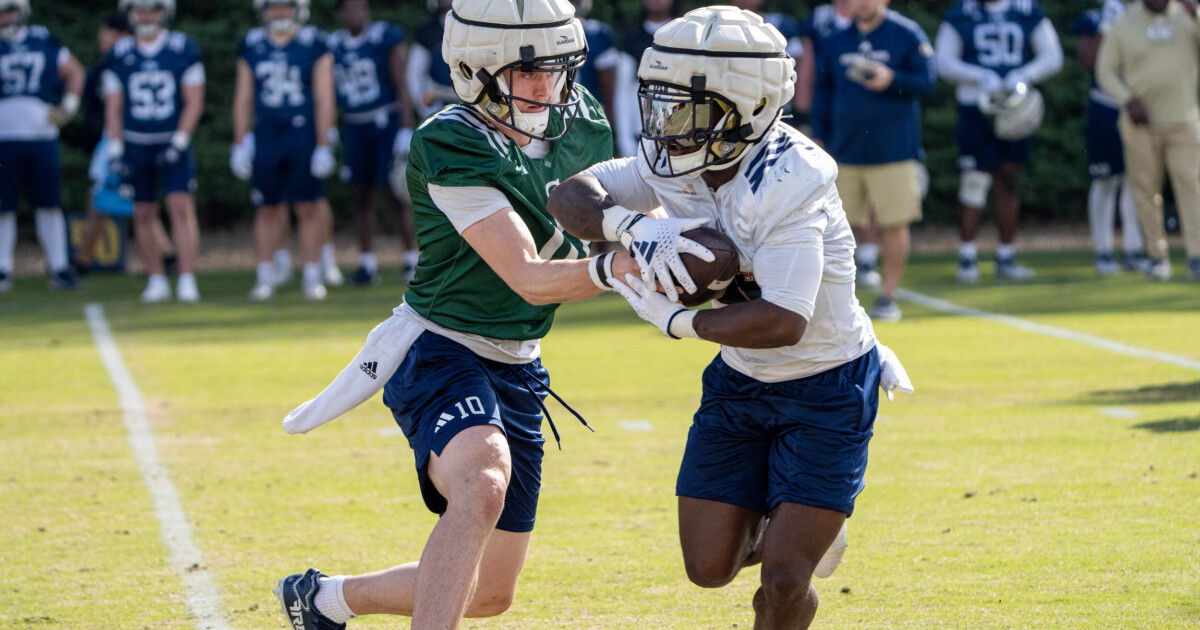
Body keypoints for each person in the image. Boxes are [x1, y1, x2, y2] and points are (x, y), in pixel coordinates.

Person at [273, 1, 632, 628]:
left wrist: (672, 246)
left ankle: (325, 599)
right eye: (528, 72)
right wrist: (619, 269)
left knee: (491, 594)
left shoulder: (581, 118)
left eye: (557, 67)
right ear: (476, 69)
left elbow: (626, 215)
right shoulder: (450, 140)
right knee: (482, 482)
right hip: (442, 346)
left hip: (520, 362)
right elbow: (527, 276)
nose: (547, 85)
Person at [549, 7, 911, 629]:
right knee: (708, 567)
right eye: (658, 104)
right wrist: (630, 226)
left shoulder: (789, 178)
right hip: (741, 381)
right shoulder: (675, 155)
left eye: (683, 107)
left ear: (744, 108)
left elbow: (783, 322)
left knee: (784, 581)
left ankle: (802, 540)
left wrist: (676, 323)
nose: (664, 125)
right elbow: (567, 195)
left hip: (826, 380)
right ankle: (800, 525)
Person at [811, 0, 934, 322]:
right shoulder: (835, 39)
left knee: (895, 222)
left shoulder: (906, 33)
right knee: (830, 227)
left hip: (894, 150)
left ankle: (888, 296)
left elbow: (928, 82)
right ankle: (833, 300)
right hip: (843, 150)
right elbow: (823, 91)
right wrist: (819, 136)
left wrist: (892, 78)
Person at [935, 0, 1063, 282]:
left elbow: (1052, 56)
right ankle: (967, 257)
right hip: (975, 107)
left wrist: (1024, 74)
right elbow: (943, 61)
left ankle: (1006, 257)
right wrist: (976, 75)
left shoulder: (1026, 10)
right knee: (974, 180)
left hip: (1014, 106)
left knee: (1009, 179)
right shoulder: (961, 14)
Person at [231, 0, 336, 301]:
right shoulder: (252, 44)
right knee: (266, 207)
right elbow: (243, 98)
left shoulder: (314, 43)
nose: (278, 13)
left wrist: (323, 143)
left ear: (298, 9)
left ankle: (313, 275)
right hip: (267, 131)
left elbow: (324, 97)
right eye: (273, 6)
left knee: (307, 206)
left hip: (302, 131)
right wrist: (240, 141)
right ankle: (265, 277)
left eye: (285, 6)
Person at [102, 0, 203, 302]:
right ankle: (156, 278)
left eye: (152, 9)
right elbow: (114, 105)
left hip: (172, 139)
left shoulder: (183, 48)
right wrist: (117, 148)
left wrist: (180, 142)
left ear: (164, 12)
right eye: (140, 9)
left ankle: (187, 278)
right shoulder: (119, 54)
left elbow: (194, 100)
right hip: (135, 142)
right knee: (143, 211)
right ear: (130, 14)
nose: (146, 15)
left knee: (180, 208)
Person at [1097, 0, 1200, 281]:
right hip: (1140, 124)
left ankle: (1197, 255)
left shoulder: (1188, 16)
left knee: (1191, 186)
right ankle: (1156, 257)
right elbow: (1104, 70)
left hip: (1183, 120)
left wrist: (1196, 14)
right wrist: (1126, 99)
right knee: (1145, 190)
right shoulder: (1123, 22)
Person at [328, 0, 418, 286]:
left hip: (385, 122)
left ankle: (411, 259)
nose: (355, 13)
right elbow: (326, 89)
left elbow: (401, 82)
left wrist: (405, 128)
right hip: (355, 124)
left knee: (397, 192)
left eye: (359, 7)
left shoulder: (385, 37)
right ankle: (367, 264)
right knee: (360, 195)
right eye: (349, 8)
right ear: (341, 13)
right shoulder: (333, 44)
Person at [0, 0, 85, 292]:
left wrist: (68, 107)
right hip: (3, 137)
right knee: (3, 207)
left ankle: (59, 266)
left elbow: (75, 72)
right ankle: (2, 269)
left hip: (41, 134)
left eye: (9, 10)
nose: (5, 17)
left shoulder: (42, 39)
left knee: (49, 204)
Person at [1073, 0, 1147, 275]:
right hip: (1106, 106)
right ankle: (1102, 251)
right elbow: (1088, 61)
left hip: (1144, 106)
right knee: (1105, 179)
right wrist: (1108, 26)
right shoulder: (1095, 18)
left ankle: (1133, 247)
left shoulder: (1153, 16)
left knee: (1136, 179)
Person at [406, 0, 456, 123]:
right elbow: (415, 74)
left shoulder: (475, 27)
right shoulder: (426, 31)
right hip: (440, 103)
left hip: (474, 103)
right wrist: (427, 109)